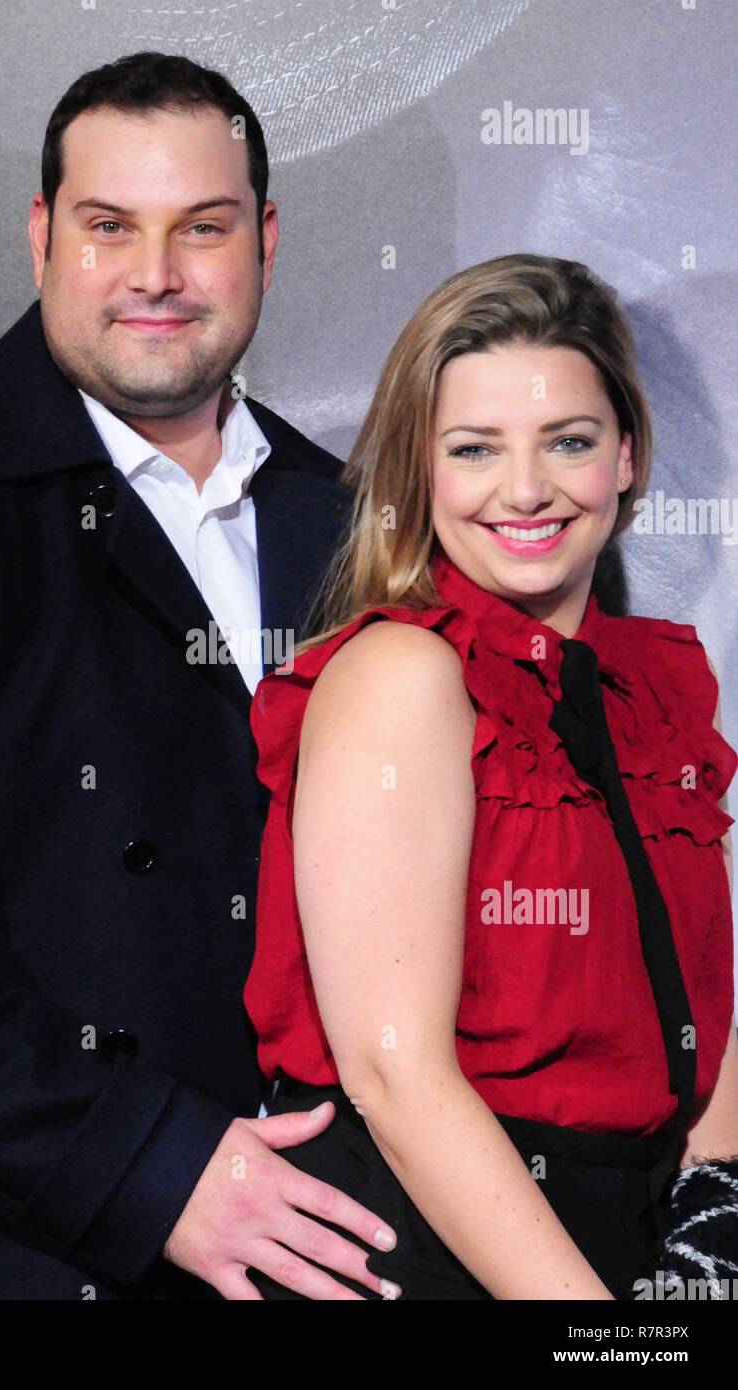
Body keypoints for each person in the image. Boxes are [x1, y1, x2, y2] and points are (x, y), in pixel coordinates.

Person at [0, 52, 400, 1301]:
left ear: (262, 238)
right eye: (111, 226)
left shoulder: (354, 522)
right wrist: (148, 1166)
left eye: (201, 228)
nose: (156, 275)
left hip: (308, 1240)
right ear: (45, 235)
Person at [244, 252, 738, 1299]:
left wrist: (716, 1218)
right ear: (421, 472)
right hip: (426, 1244)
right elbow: (396, 1075)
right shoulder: (402, 675)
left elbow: (700, 997)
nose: (526, 489)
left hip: (630, 1235)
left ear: (629, 458)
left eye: (569, 440)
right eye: (476, 449)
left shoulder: (646, 688)